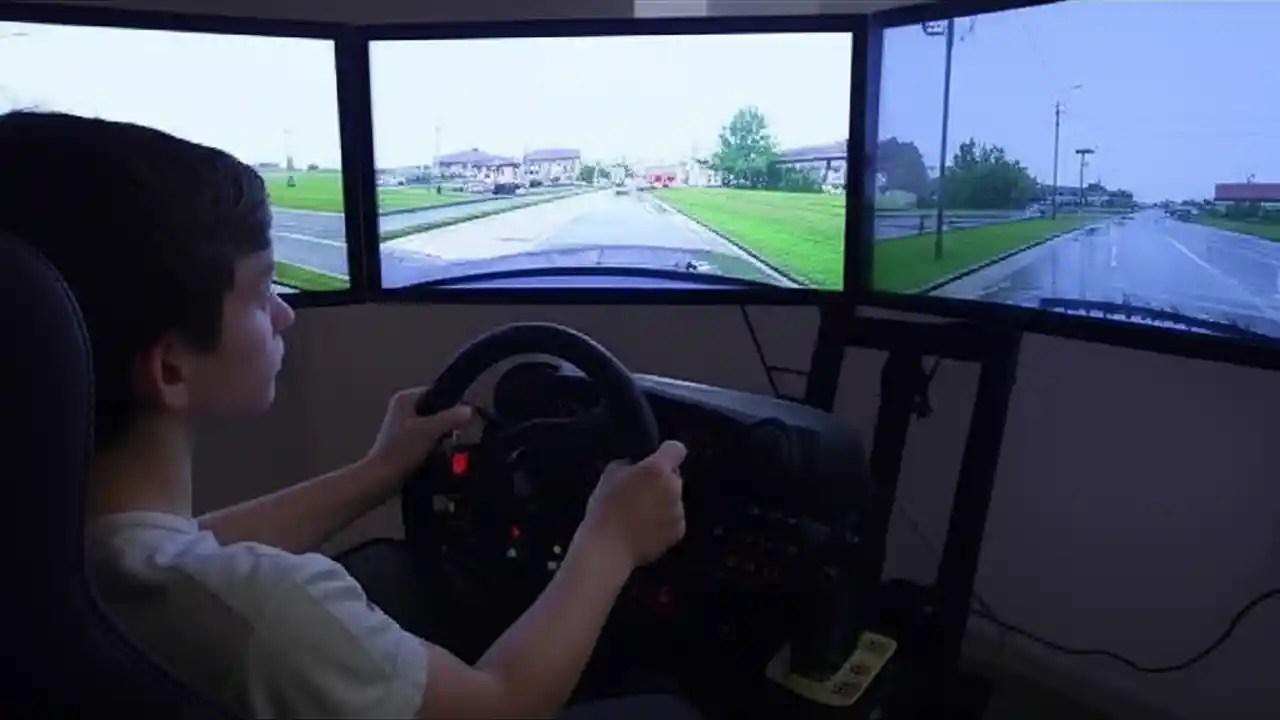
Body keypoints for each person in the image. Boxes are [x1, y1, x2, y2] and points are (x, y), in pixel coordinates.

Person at [0, 111, 690, 719]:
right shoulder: (265, 616)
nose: (284, 314)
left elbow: (184, 548)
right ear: (171, 365)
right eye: (263, 288)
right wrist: (610, 542)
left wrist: (378, 472)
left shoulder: (64, 561)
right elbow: (502, 702)